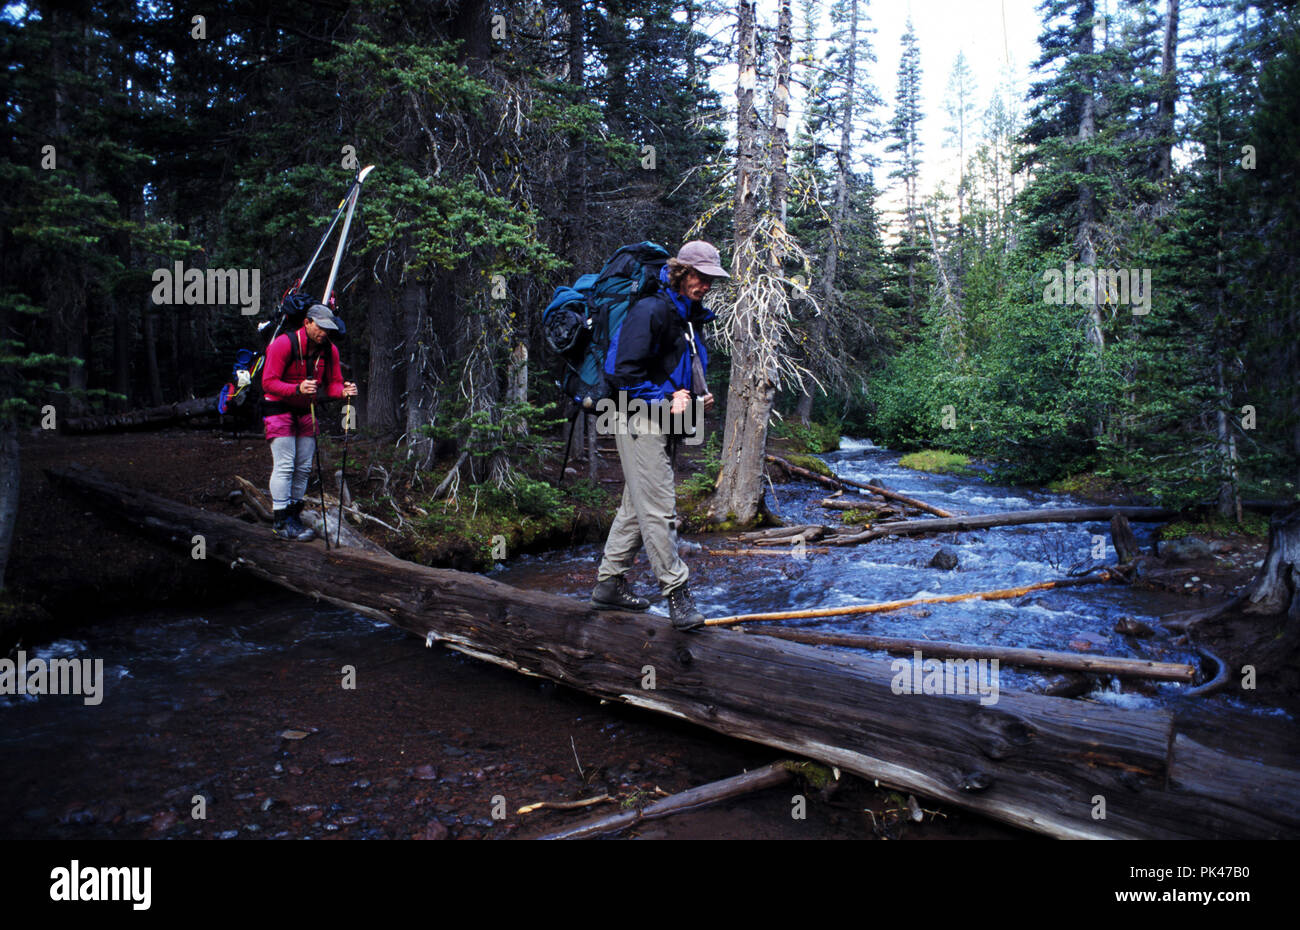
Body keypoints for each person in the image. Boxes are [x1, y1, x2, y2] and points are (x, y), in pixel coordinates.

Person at [590, 240, 728, 630]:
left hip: (666, 420)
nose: (706, 285)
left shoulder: (689, 317)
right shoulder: (650, 309)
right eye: (700, 277)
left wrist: (698, 395)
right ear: (682, 273)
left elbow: (679, 368)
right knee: (659, 508)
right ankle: (678, 594)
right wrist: (667, 398)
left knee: (636, 508)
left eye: (710, 279)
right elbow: (622, 373)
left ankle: (609, 585)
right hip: (636, 418)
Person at [261, 303, 358, 541]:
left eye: (328, 328)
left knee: (304, 466)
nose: (324, 333)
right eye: (320, 327)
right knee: (285, 464)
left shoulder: (329, 350)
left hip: (307, 409)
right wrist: (297, 388)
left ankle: (294, 516)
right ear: (307, 323)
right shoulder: (283, 344)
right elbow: (268, 382)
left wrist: (343, 391)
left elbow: (333, 383)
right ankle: (281, 521)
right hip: (278, 406)